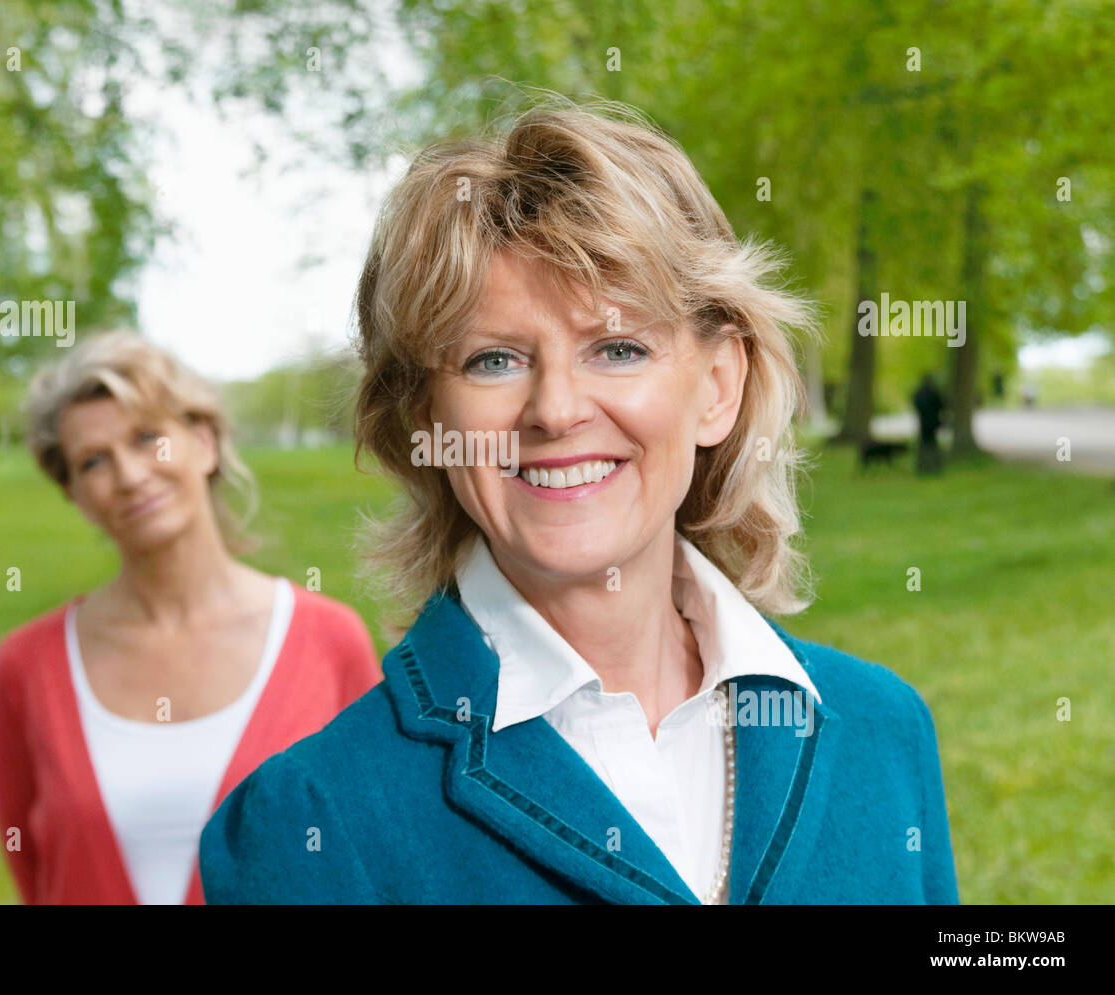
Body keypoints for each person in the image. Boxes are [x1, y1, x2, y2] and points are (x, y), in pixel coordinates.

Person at [200, 102, 959, 905]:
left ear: (718, 386)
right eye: (493, 360)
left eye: (618, 348)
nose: (556, 410)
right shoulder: (313, 820)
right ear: (428, 420)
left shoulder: (883, 731)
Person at [0, 331, 381, 904]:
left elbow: (366, 852)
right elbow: (34, 873)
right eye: (94, 461)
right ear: (74, 494)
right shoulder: (26, 667)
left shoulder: (328, 639)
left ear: (204, 442)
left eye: (148, 438)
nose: (130, 475)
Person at [912, 373, 945, 475]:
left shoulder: (918, 394)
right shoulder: (934, 393)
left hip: (923, 422)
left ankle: (923, 467)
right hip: (933, 422)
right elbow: (942, 405)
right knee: (933, 445)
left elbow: (916, 405)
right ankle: (935, 466)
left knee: (924, 445)